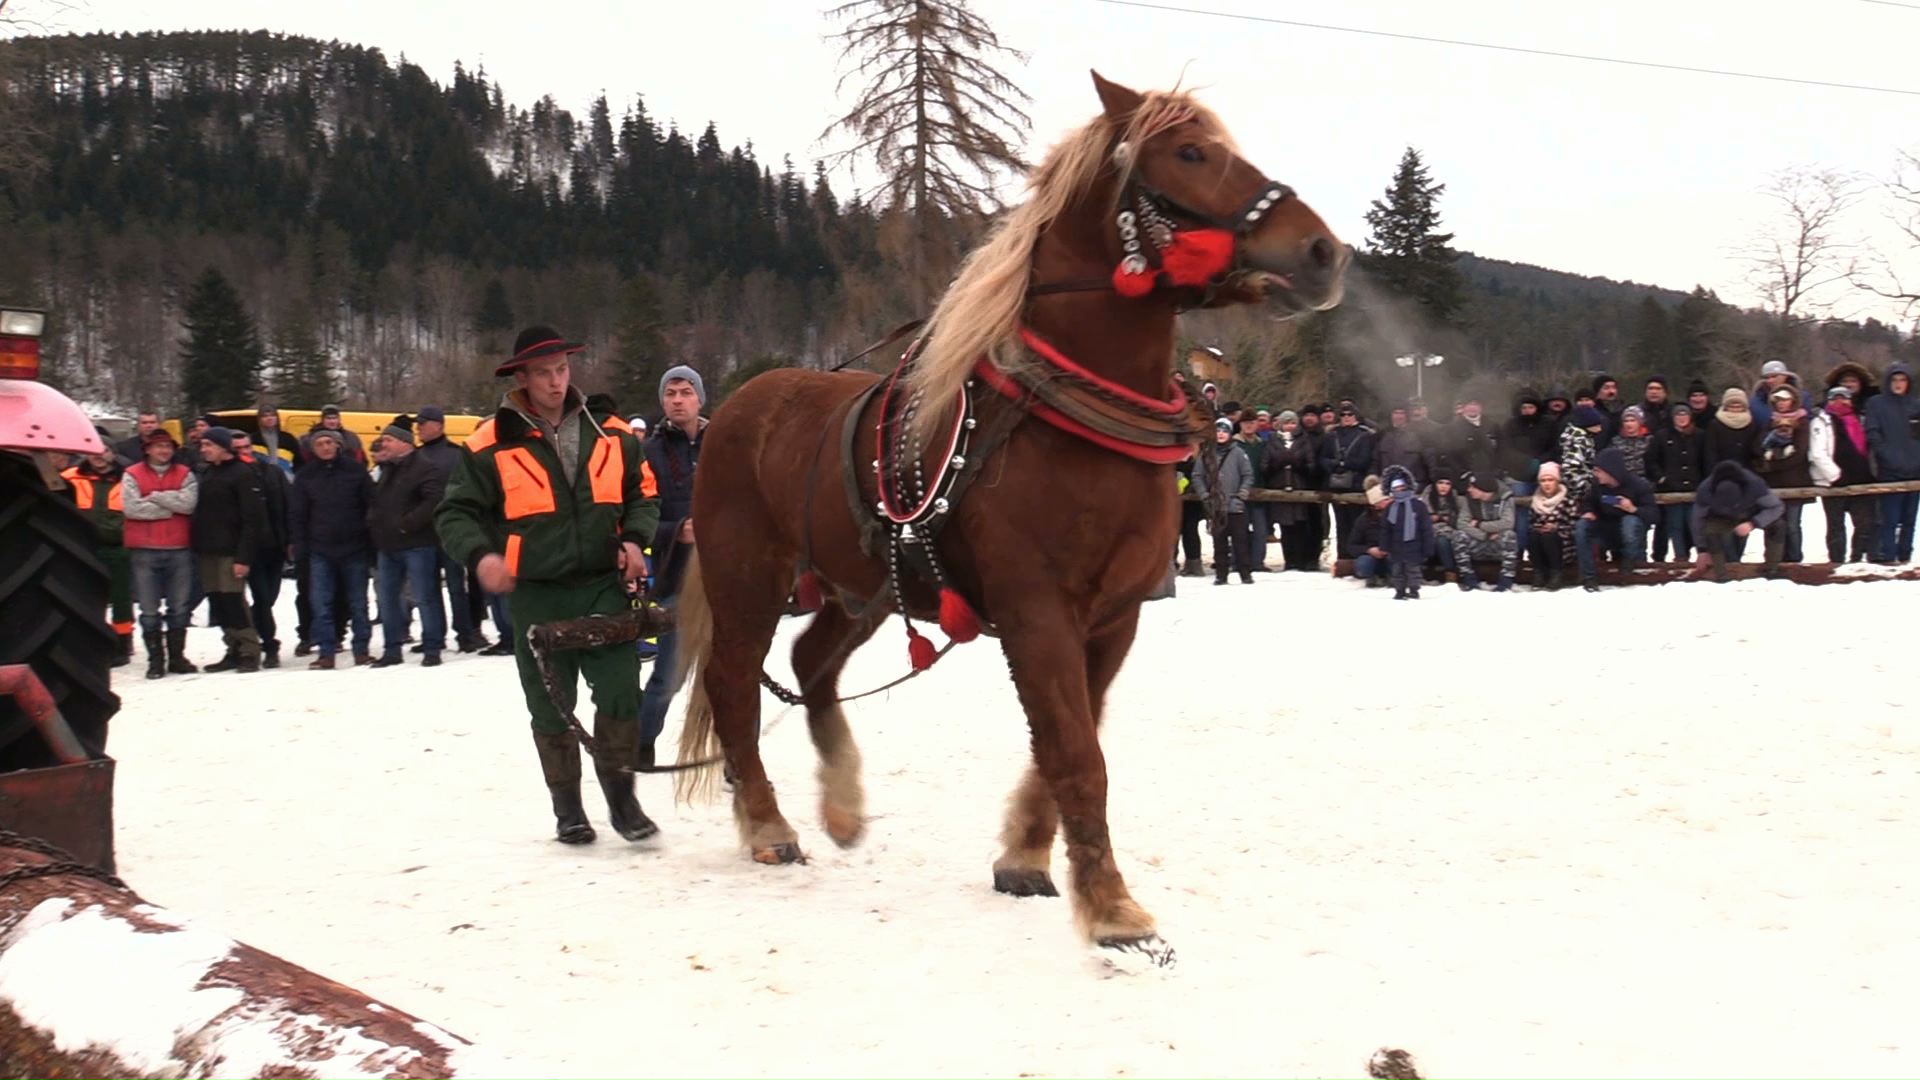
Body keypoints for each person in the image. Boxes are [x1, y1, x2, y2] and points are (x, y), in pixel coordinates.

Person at [437, 325, 661, 845]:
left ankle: (622, 801)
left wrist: (633, 540)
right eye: (544, 373)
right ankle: (568, 809)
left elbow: (643, 494)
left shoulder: (612, 431)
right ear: (522, 377)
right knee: (550, 705)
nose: (557, 382)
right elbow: (454, 513)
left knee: (622, 693)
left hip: (604, 585)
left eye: (562, 369)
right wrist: (482, 555)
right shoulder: (488, 443)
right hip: (536, 592)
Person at [638, 365, 702, 768]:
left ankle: (738, 755)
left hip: (726, 579)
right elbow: (635, 519)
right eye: (670, 393)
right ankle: (640, 743)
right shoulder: (650, 452)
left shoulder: (725, 443)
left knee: (734, 676)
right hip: (677, 578)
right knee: (669, 677)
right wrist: (674, 531)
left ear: (699, 398)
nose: (677, 400)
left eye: (685, 392)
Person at [290, 427, 374, 669]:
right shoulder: (306, 476)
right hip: (320, 549)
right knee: (321, 603)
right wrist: (300, 545)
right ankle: (326, 651)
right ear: (313, 449)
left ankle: (361, 649)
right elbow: (297, 514)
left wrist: (369, 538)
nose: (325, 447)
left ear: (338, 444)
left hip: (354, 546)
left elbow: (371, 505)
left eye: (329, 442)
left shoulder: (355, 471)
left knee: (358, 602)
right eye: (320, 444)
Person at [368, 418, 448, 667]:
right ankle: (392, 649)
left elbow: (433, 501)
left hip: (418, 544)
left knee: (426, 596)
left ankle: (432, 647)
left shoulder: (425, 467)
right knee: (388, 598)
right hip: (388, 546)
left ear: (404, 443)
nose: (384, 444)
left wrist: (407, 523)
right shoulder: (388, 469)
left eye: (388, 440)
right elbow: (379, 503)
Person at [121, 428, 200, 678]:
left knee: (179, 607)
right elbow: (131, 508)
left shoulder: (185, 473)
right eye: (158, 446)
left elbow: (188, 505)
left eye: (168, 446)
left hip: (179, 548)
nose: (164, 451)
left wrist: (155, 497)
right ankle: (156, 660)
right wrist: (169, 507)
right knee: (149, 609)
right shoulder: (131, 474)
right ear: (147, 450)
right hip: (144, 549)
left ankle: (177, 657)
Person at [191, 427, 269, 672]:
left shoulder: (242, 474)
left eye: (208, 445)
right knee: (218, 601)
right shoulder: (208, 472)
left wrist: (243, 556)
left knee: (233, 600)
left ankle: (249, 650)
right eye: (202, 445)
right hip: (208, 548)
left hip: (231, 550)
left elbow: (252, 519)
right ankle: (232, 647)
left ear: (223, 447)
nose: (203, 450)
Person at [414, 405, 490, 654]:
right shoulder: (415, 457)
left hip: (452, 533)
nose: (419, 428)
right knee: (428, 591)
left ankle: (466, 633)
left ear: (438, 425)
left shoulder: (457, 455)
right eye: (418, 424)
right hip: (423, 534)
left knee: (458, 588)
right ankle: (433, 636)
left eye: (423, 423)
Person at [62, 438, 134, 665]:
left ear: (113, 453)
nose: (98, 456)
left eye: (104, 451)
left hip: (119, 548)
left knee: (121, 598)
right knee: (83, 596)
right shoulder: (70, 477)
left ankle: (123, 643)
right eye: (93, 452)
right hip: (82, 547)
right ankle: (88, 639)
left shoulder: (129, 478)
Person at [234, 434, 291, 667]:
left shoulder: (272, 472)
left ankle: (260, 636)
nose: (244, 452)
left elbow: (287, 505)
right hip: (249, 548)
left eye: (247, 447)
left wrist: (289, 539)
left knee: (268, 597)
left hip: (274, 545)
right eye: (238, 449)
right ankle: (268, 644)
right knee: (262, 598)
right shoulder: (233, 475)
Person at [1809, 386, 1877, 563]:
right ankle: (1836, 562)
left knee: (1864, 524)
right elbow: (1817, 453)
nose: (1840, 402)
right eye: (1835, 398)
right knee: (1836, 526)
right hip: (1833, 481)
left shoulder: (1860, 420)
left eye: (1844, 398)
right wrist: (1835, 475)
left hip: (1861, 479)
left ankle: (1856, 559)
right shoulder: (1821, 421)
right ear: (1828, 401)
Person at [1689, 461, 1786, 582]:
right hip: (1721, 517)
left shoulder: (1755, 485)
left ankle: (1772, 569)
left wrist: (1753, 523)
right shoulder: (1705, 491)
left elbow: (1777, 507)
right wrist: (1702, 550)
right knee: (1710, 531)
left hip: (1749, 514)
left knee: (1778, 525)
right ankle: (1720, 575)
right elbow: (1697, 521)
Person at [1574, 447, 1654, 591]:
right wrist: (1588, 512)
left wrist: (1633, 509)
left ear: (1610, 470)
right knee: (1582, 526)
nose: (1595, 474)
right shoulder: (1597, 486)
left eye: (1598, 470)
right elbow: (1588, 503)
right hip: (1606, 530)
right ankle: (1589, 576)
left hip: (1632, 534)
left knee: (1630, 522)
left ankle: (1627, 566)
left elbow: (1653, 515)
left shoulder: (1639, 485)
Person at [1864, 362, 1920, 564]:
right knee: (1889, 519)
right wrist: (1887, 457)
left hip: (1915, 471)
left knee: (1910, 520)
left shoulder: (1916, 405)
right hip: (1889, 470)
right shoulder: (1876, 404)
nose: (1898, 383)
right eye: (1895, 379)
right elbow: (1873, 433)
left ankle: (1905, 556)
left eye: (1902, 379)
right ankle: (1888, 557)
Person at [1751, 386, 1812, 563]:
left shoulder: (1802, 422)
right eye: (1778, 400)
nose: (1782, 403)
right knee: (1773, 524)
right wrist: (1768, 460)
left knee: (1793, 525)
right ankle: (1773, 560)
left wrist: (1772, 464)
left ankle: (1794, 561)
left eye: (1785, 399)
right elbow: (1758, 446)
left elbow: (1799, 453)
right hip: (1772, 485)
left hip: (1794, 480)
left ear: (1793, 400)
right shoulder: (1769, 422)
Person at [1192, 417, 1255, 585]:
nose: (1220, 434)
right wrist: (1204, 495)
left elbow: (1248, 475)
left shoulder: (1239, 453)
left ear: (1230, 433)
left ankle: (1245, 573)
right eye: (1218, 431)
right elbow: (1197, 476)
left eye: (1224, 431)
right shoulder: (1206, 454)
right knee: (1219, 543)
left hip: (1235, 504)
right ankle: (1221, 574)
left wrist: (1242, 493)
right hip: (1216, 505)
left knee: (1240, 542)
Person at [1647, 403, 1707, 563]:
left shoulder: (1700, 435)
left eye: (1685, 415)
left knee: (1693, 524)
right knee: (1675, 525)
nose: (1681, 418)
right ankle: (1681, 556)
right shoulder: (1662, 436)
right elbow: (1651, 461)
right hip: (1671, 489)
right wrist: (1661, 478)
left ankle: (1700, 556)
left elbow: (1706, 460)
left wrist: (1704, 481)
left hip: (1695, 488)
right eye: (1678, 415)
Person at [1261, 410, 1317, 571]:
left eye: (1292, 423)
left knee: (1299, 527)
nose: (1289, 426)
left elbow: (1311, 466)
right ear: (1280, 424)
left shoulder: (1304, 440)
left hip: (1299, 487)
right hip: (1279, 488)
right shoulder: (1272, 440)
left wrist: (1297, 463)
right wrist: (1279, 463)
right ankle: (1289, 560)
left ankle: (1300, 561)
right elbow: (1264, 466)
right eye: (1286, 423)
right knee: (1285, 528)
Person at [1453, 471, 1517, 591]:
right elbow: (1462, 523)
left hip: (1497, 544)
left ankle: (1505, 582)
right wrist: (1485, 535)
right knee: (1459, 535)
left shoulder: (1505, 499)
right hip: (1479, 542)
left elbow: (1508, 523)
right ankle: (1469, 580)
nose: (1469, 489)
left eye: (1472, 487)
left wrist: (1479, 524)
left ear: (1482, 489)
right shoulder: (1470, 500)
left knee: (1510, 535)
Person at [1380, 466, 1435, 600]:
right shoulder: (1390, 507)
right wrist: (1384, 546)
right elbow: (1385, 529)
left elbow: (1426, 528)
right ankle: (1399, 590)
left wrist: (1428, 547)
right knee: (1397, 570)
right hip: (1396, 546)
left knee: (1413, 570)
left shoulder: (1418, 506)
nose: (1398, 490)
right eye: (1395, 487)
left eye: (1401, 486)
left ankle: (1414, 590)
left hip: (1414, 546)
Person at [1525, 462, 1574, 590]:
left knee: (1549, 536)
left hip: (1563, 544)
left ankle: (1556, 574)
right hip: (1540, 541)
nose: (1546, 484)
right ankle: (1539, 574)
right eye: (1543, 480)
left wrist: (1556, 527)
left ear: (1557, 481)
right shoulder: (1536, 500)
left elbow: (1574, 526)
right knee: (1533, 536)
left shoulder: (1568, 500)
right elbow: (1530, 523)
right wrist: (1538, 527)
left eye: (1550, 480)